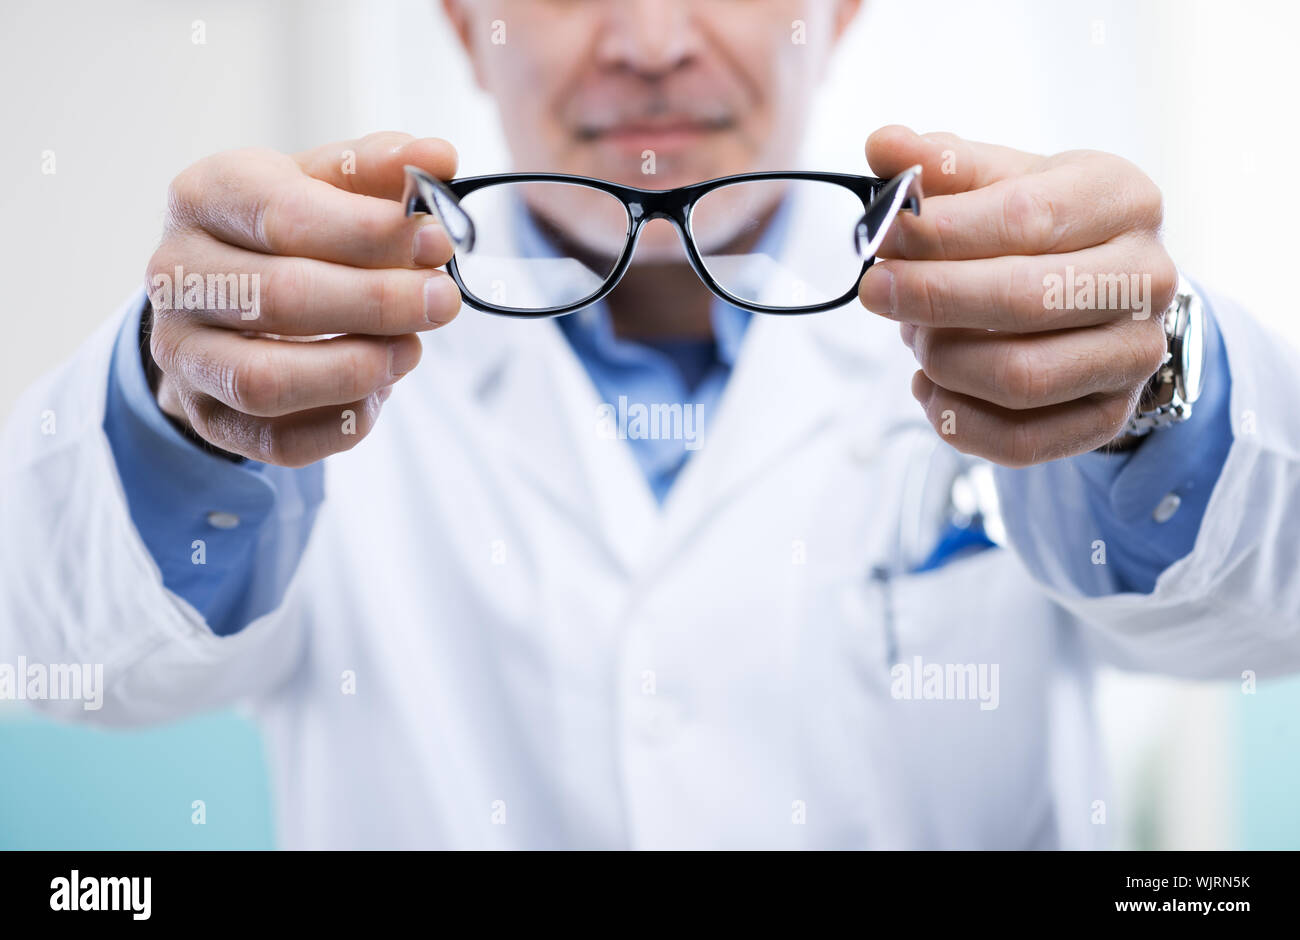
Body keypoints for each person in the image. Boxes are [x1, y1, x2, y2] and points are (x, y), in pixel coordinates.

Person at [3, 0, 1298, 849]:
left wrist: (1157, 383)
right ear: (467, 23)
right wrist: (178, 412)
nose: (651, 37)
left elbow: (1266, 617)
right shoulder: (313, 340)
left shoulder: (1008, 308)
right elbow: (66, 654)